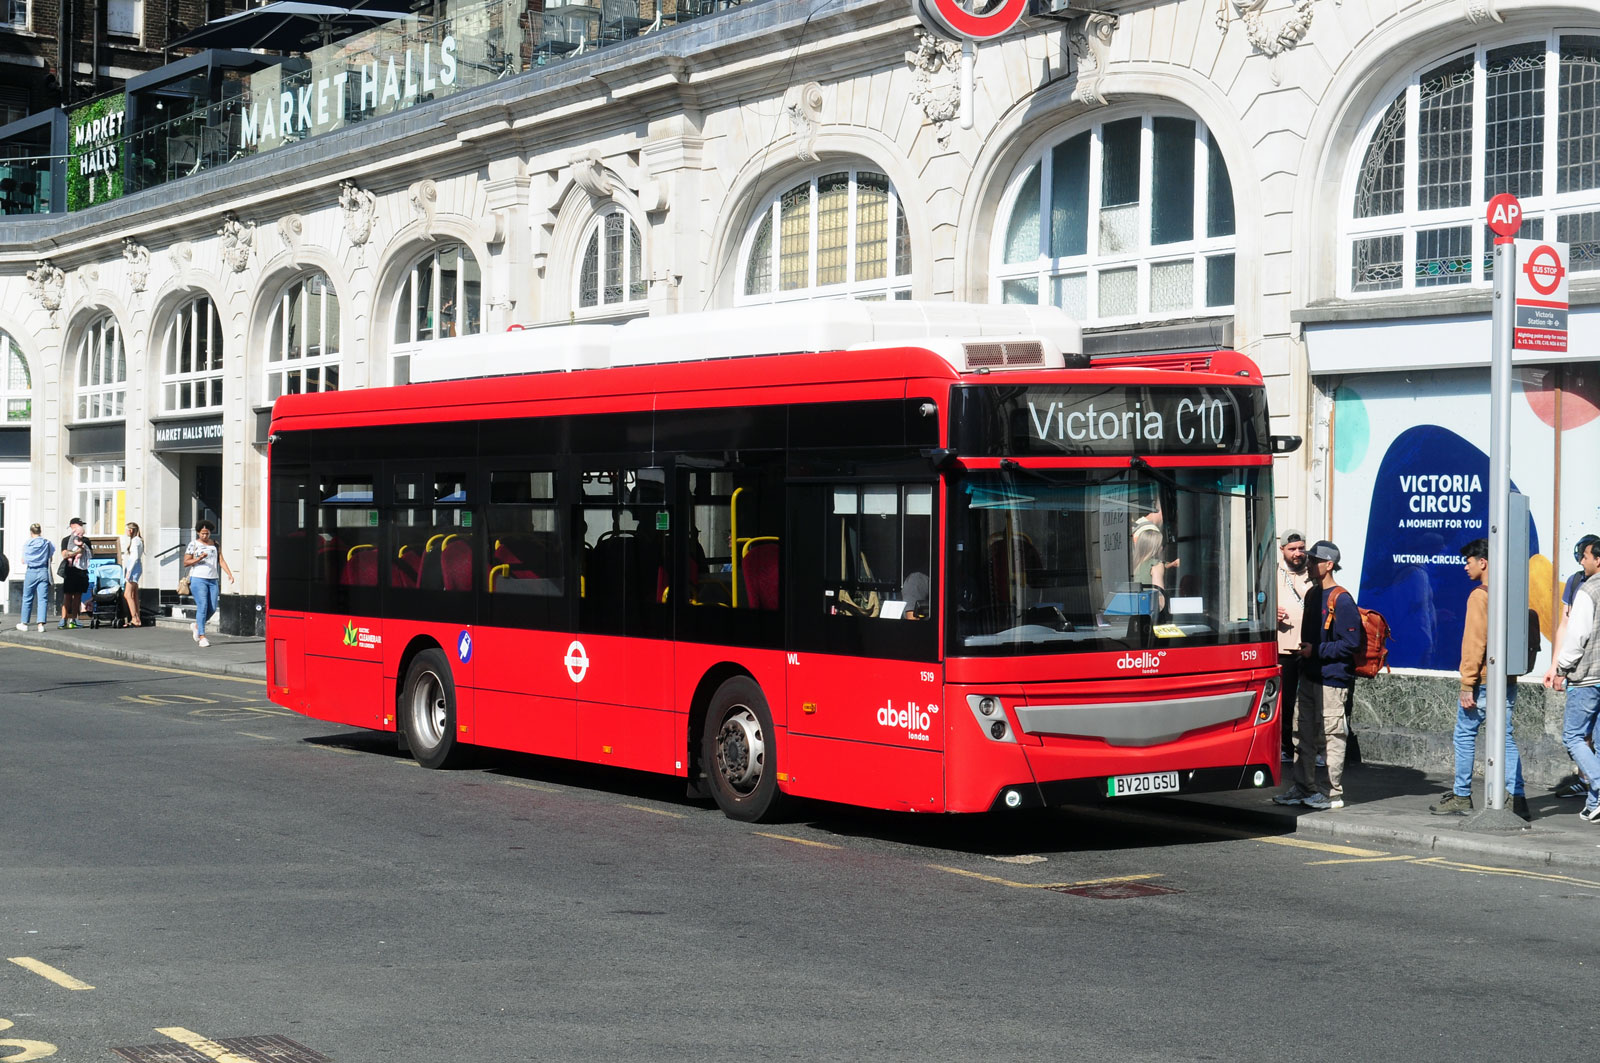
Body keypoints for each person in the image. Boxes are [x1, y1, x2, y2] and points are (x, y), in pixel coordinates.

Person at [1428, 539, 1529, 820]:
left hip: (1483, 680)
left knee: (1464, 735)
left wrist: (1467, 683)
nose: (1465, 566)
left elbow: (1474, 642)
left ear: (1482, 562)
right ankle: (1516, 799)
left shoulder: (1480, 596)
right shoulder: (1509, 593)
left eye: (1469, 561)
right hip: (1507, 679)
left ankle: (1461, 795)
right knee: (1505, 738)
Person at [1273, 540, 1360, 811]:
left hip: (1332, 680)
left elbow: (1351, 644)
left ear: (1328, 565)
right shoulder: (1312, 594)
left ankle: (1331, 793)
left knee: (1331, 736)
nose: (1307, 563)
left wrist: (1316, 650)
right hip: (1309, 676)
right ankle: (1303, 787)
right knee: (1303, 734)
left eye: (1313, 560)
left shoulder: (1342, 599)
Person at [1552, 537, 1600, 822]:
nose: (1581, 561)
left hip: (1588, 677)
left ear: (1597, 559)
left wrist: (1561, 669)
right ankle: (1594, 803)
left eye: (1584, 556)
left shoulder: (1588, 590)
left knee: (1573, 736)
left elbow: (1576, 635)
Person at [1276, 530, 1312, 764]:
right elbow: (1253, 605)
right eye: (1292, 549)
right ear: (1283, 551)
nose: (1297, 553)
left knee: (1313, 701)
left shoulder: (1316, 572)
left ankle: (1315, 749)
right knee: (1285, 702)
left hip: (1312, 648)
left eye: (1301, 548)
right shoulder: (1271, 574)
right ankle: (1286, 747)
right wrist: (1270, 615)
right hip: (1284, 648)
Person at [183, 519, 234, 648]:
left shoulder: (215, 544)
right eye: (202, 533)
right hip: (198, 578)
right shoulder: (193, 544)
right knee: (203, 605)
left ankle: (196, 626)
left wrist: (229, 574)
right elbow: (186, 562)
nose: (205, 536)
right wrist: (199, 558)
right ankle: (202, 636)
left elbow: (221, 560)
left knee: (212, 607)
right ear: (198, 533)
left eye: (207, 533)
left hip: (213, 579)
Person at [16, 524, 52, 632]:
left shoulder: (28, 543)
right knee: (43, 599)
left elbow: (23, 560)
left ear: (31, 532)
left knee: (27, 597)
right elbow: (51, 557)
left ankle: (24, 623)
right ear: (40, 531)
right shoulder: (47, 543)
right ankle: (41, 625)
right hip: (43, 571)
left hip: (31, 571)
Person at [58, 517, 88, 629]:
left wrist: (75, 552)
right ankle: (63, 619)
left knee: (78, 596)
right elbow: (65, 554)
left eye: (82, 525)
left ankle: (74, 619)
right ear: (72, 526)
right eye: (79, 524)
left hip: (81, 571)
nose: (81, 526)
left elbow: (87, 553)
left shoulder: (85, 540)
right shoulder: (66, 540)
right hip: (69, 571)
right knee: (67, 595)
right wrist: (76, 551)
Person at [121, 521, 145, 628]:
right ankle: (137, 617)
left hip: (133, 567)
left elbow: (134, 557)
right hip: (137, 566)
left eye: (126, 529)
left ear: (131, 530)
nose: (126, 532)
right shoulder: (138, 540)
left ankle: (134, 618)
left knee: (127, 594)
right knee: (134, 594)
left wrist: (129, 571)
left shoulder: (135, 541)